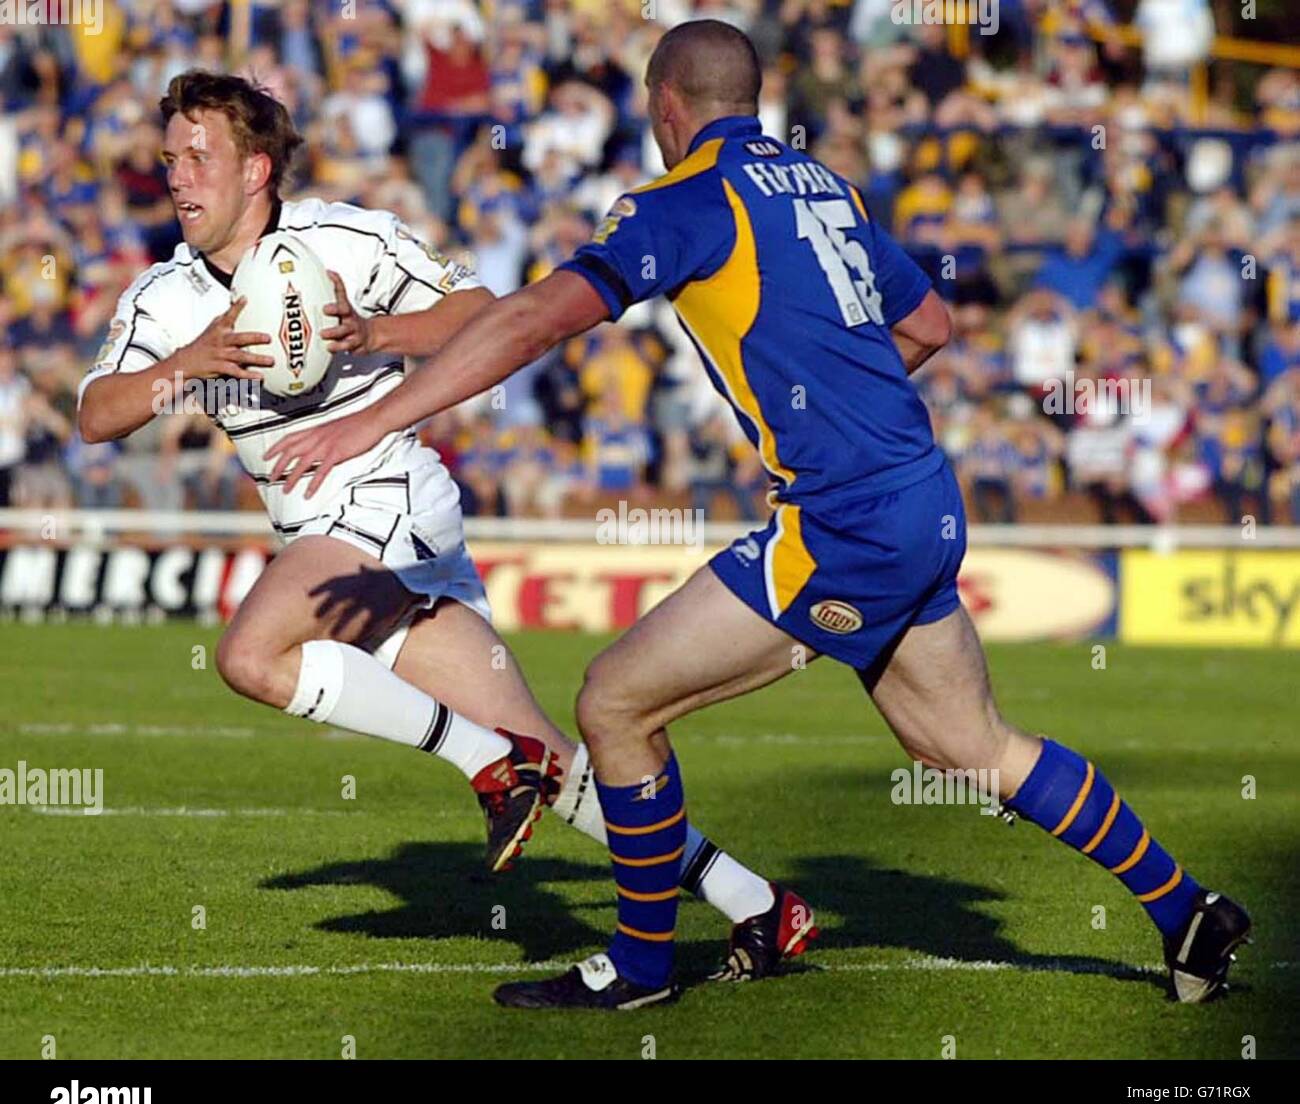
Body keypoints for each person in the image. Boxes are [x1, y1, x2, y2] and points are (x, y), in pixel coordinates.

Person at [265, 22, 1250, 1010]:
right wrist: (841, 413)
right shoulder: (825, 185)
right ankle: (1186, 909)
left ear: (665, 107)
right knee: (971, 746)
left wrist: (370, 420)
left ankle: (640, 968)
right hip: (920, 496)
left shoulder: (684, 199)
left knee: (615, 702)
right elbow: (928, 324)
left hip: (845, 521)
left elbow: (532, 320)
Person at [78, 70, 815, 980]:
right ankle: (758, 904)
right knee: (557, 766)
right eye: (170, 159)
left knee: (250, 656)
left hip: (387, 497)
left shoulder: (346, 237)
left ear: (256, 168)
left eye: (199, 157)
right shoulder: (166, 296)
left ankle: (484, 762)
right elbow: (97, 414)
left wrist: (377, 334)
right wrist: (187, 364)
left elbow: (479, 313)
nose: (177, 177)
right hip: (318, 531)